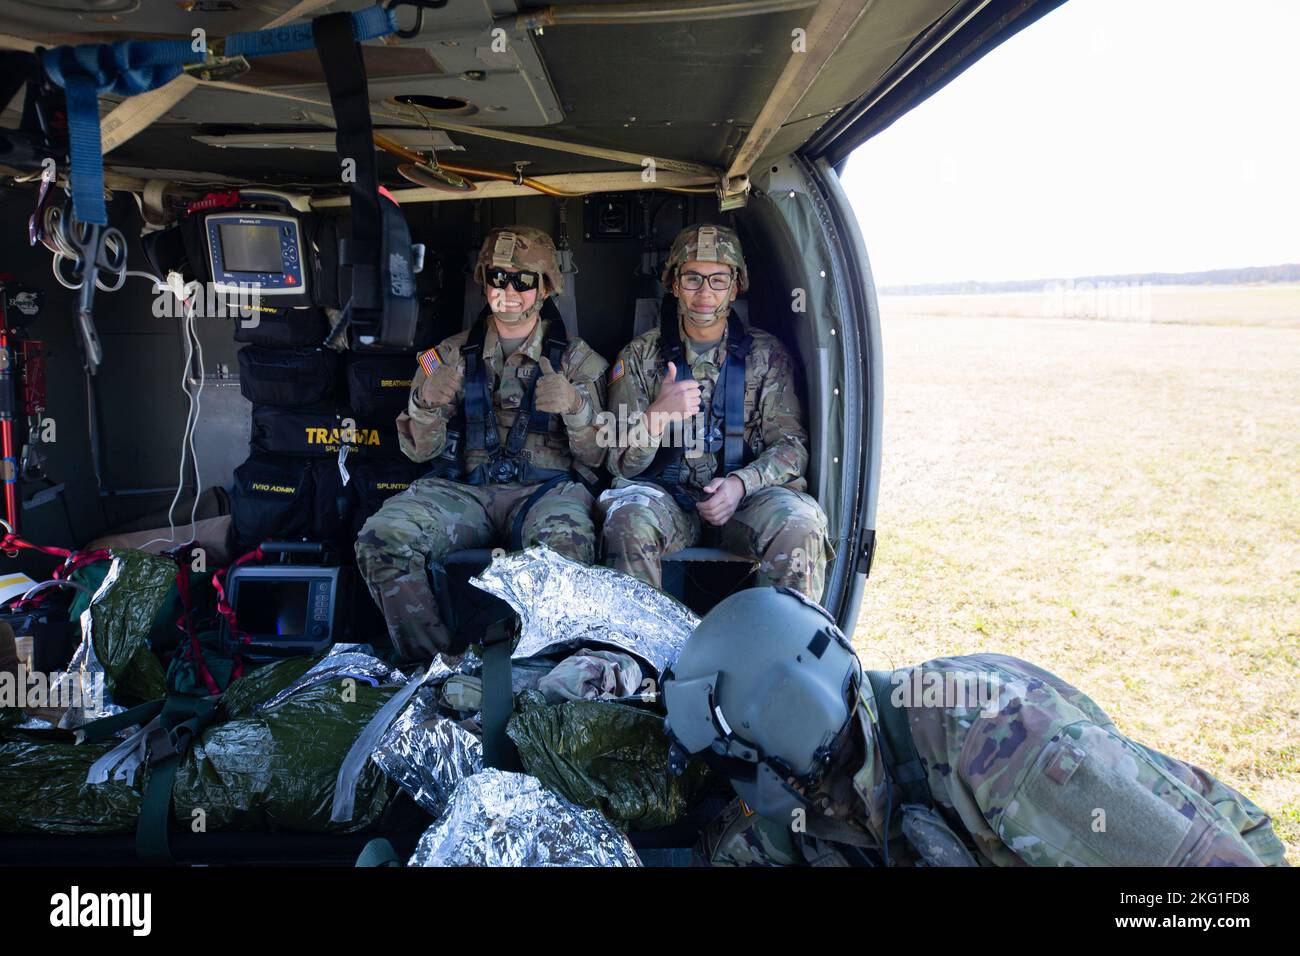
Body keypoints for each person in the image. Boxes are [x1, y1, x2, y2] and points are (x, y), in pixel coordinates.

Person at [664, 588, 1289, 867]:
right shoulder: (820, 783)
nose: (734, 778)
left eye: (734, 759)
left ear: (782, 734)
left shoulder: (998, 743)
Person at [355, 226, 607, 661]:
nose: (508, 290)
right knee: (383, 538)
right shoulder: (446, 357)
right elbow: (420, 453)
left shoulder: (576, 360)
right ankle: (432, 670)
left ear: (545, 287)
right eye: (497, 277)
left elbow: (598, 457)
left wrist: (575, 407)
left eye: (523, 280)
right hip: (463, 490)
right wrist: (424, 404)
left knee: (566, 549)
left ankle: (541, 677)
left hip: (545, 491)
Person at [600, 224, 831, 598]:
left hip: (745, 503)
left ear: (735, 286)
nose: (705, 292)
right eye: (692, 278)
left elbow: (791, 447)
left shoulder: (767, 356)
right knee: (627, 519)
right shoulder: (639, 357)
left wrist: (741, 484)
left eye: (718, 280)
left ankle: (782, 651)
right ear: (674, 284)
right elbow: (619, 462)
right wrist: (658, 415)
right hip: (667, 500)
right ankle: (634, 652)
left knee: (800, 525)